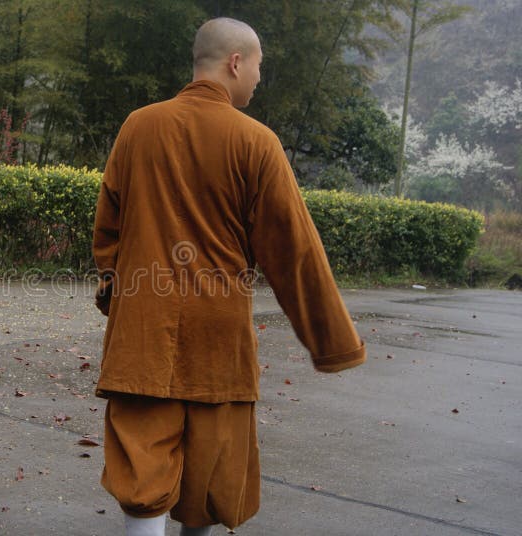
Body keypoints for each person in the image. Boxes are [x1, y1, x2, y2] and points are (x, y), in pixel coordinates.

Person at [92, 17, 366, 536]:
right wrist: (333, 342)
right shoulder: (256, 141)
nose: (260, 78)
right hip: (218, 334)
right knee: (211, 468)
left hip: (144, 327)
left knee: (141, 461)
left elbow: (109, 228)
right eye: (259, 66)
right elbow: (295, 252)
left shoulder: (138, 125)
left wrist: (116, 292)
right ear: (236, 62)